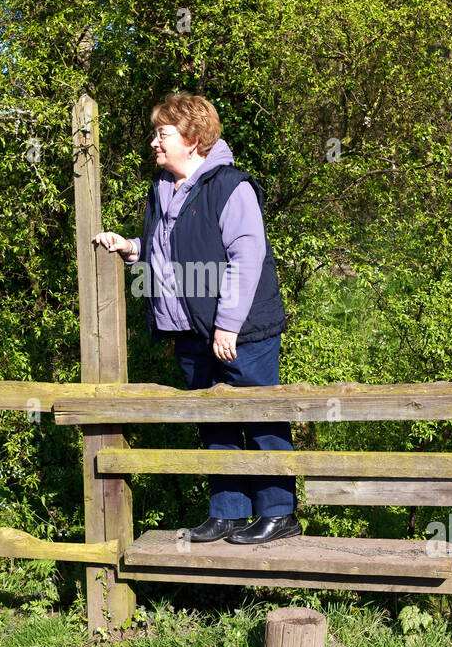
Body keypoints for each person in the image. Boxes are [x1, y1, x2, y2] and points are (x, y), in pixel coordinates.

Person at [92, 92, 300, 544]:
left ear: (193, 139)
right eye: (156, 133)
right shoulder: (163, 190)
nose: (154, 142)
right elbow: (175, 252)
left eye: (162, 134)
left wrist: (227, 324)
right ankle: (227, 512)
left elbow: (247, 257)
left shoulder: (230, 186)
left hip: (240, 331)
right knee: (214, 421)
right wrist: (132, 248)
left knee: (261, 416)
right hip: (191, 332)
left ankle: (280, 512)